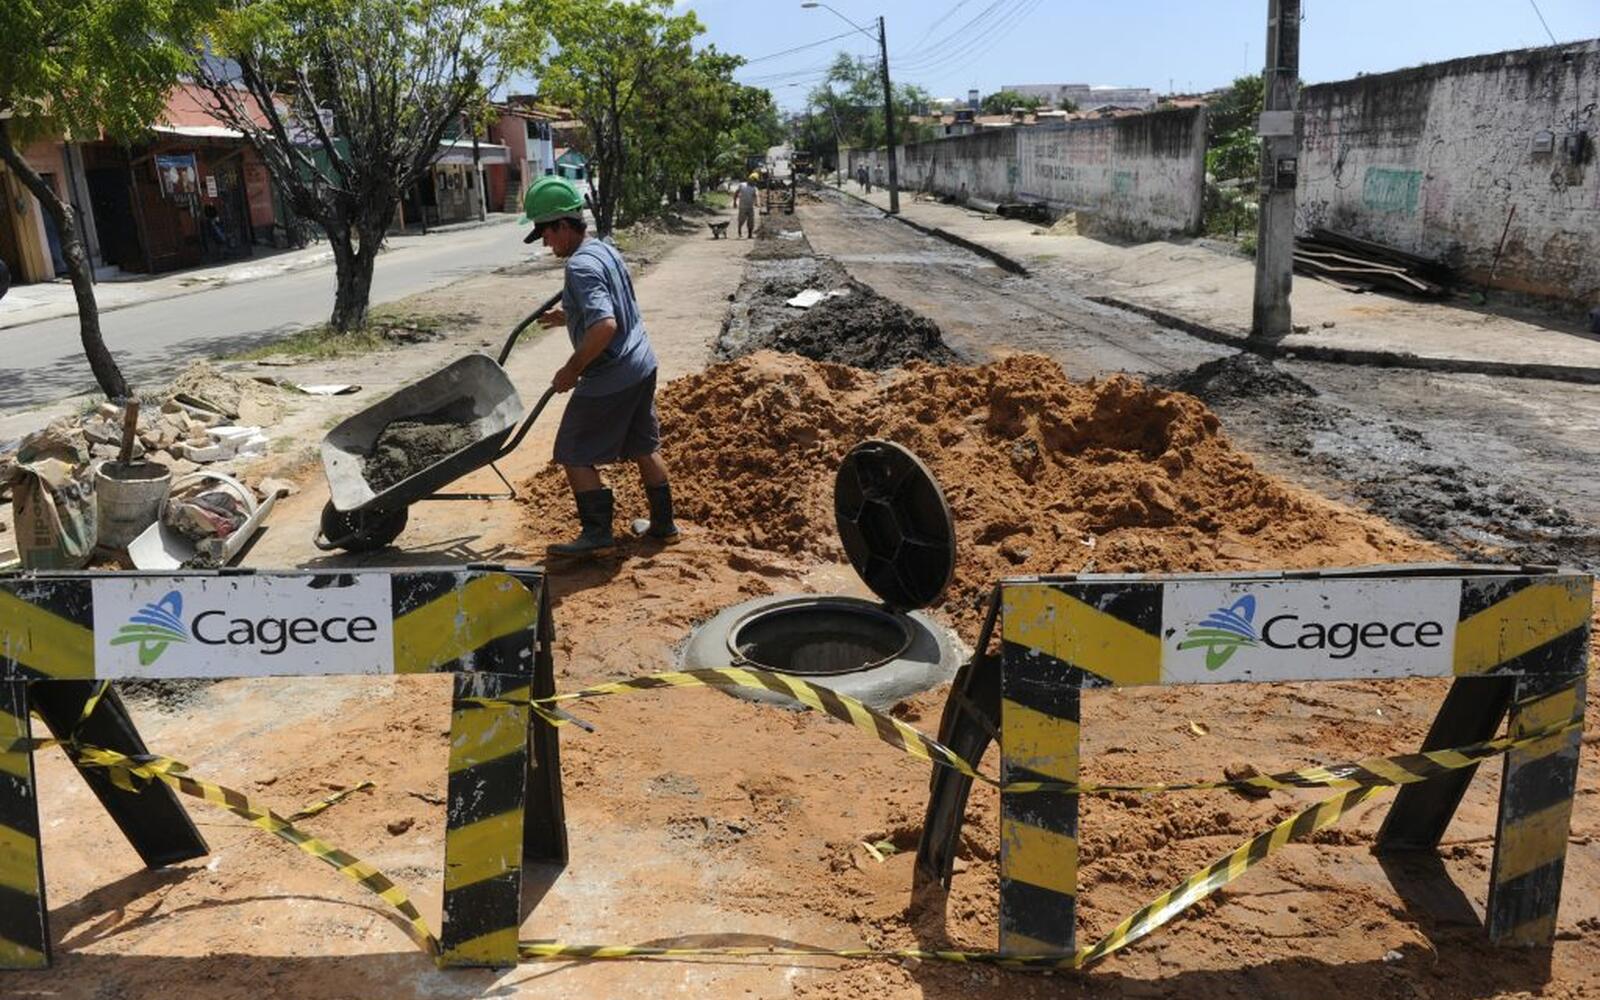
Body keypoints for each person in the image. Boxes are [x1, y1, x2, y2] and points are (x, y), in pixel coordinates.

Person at [521, 175, 679, 555]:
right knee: (643, 445)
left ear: (562, 224)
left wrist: (572, 369)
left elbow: (605, 325)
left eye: (545, 233)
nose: (545, 242)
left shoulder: (579, 267)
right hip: (642, 362)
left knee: (572, 451)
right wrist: (571, 315)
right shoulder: (604, 250)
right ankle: (663, 527)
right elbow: (612, 305)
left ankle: (597, 537)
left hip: (612, 374)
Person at [735, 173, 758, 239]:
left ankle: (750, 235)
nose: (754, 182)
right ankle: (739, 230)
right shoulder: (742, 185)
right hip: (742, 207)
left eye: (755, 181)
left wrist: (757, 203)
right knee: (741, 220)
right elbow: (736, 192)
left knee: (751, 221)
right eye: (754, 180)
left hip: (750, 207)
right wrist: (734, 202)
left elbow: (756, 195)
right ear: (750, 179)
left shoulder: (754, 188)